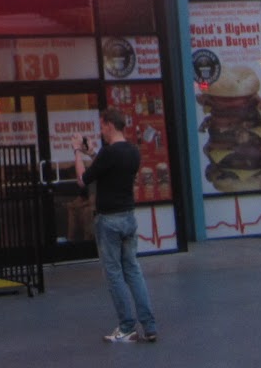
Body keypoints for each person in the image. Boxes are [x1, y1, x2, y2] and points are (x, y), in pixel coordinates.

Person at [74, 108, 157, 344]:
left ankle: (126, 326)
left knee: (114, 274)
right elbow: (106, 168)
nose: (101, 131)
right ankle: (149, 326)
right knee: (133, 270)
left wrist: (77, 152)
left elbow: (83, 180)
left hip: (108, 219)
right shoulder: (133, 152)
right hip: (129, 216)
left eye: (102, 126)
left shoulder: (109, 153)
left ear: (110, 125)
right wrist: (93, 154)